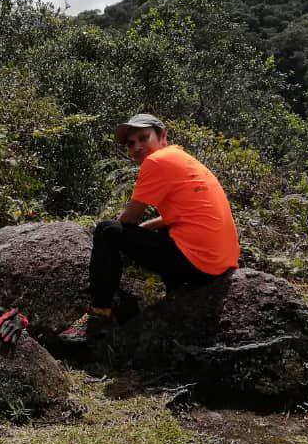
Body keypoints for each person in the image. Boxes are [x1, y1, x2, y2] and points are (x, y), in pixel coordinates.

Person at [58, 114, 240, 343]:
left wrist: (125, 239)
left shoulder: (156, 161)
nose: (136, 147)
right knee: (163, 231)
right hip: (221, 263)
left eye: (144, 138)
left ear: (163, 135)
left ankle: (99, 313)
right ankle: (176, 296)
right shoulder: (182, 158)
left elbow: (128, 220)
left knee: (106, 231)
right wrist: (144, 231)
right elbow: (178, 216)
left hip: (198, 262)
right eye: (131, 144)